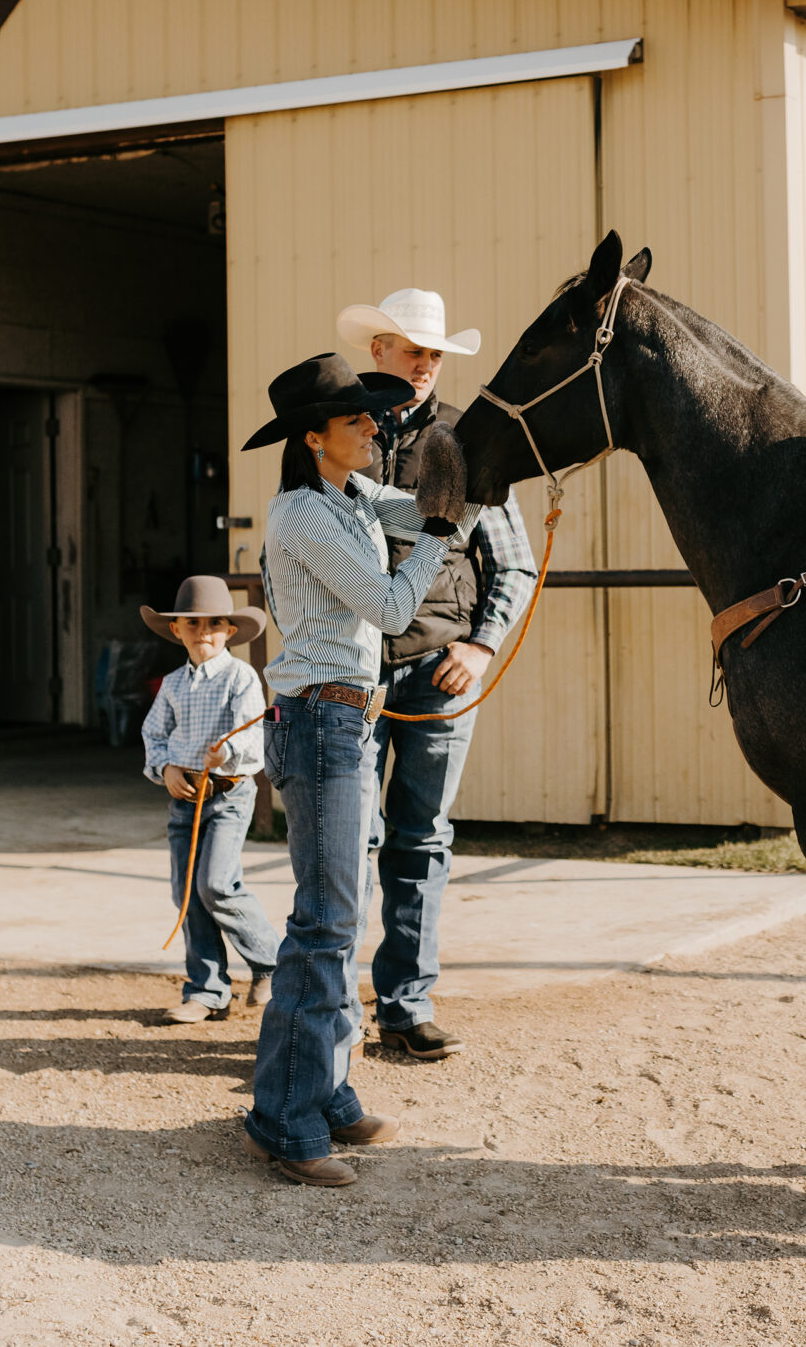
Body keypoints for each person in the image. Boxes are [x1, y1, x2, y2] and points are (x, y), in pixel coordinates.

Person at [241, 352, 475, 1187]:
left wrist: (471, 479)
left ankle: (327, 1088)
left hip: (344, 716)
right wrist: (439, 541)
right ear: (314, 439)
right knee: (326, 920)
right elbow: (388, 605)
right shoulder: (302, 515)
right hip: (319, 721)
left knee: (342, 910)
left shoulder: (352, 497)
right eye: (357, 420)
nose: (376, 428)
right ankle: (286, 1115)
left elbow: (430, 510)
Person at [335, 288, 537, 1062]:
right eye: (410, 349)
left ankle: (405, 1007)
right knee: (349, 842)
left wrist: (480, 647)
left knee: (420, 840)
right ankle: (334, 1012)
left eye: (433, 353)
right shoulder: (334, 431)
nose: (423, 364)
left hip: (439, 668)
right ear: (378, 351)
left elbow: (512, 561)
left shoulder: (468, 443)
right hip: (349, 675)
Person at [136, 577, 276, 1024]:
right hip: (184, 799)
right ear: (176, 630)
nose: (204, 632)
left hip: (228, 794)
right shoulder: (174, 684)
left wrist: (226, 751)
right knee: (187, 894)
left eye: (215, 623)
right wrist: (167, 769)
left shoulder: (241, 678)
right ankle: (208, 989)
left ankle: (273, 964)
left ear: (230, 630)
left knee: (215, 883)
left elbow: (252, 736)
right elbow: (153, 735)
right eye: (193, 624)